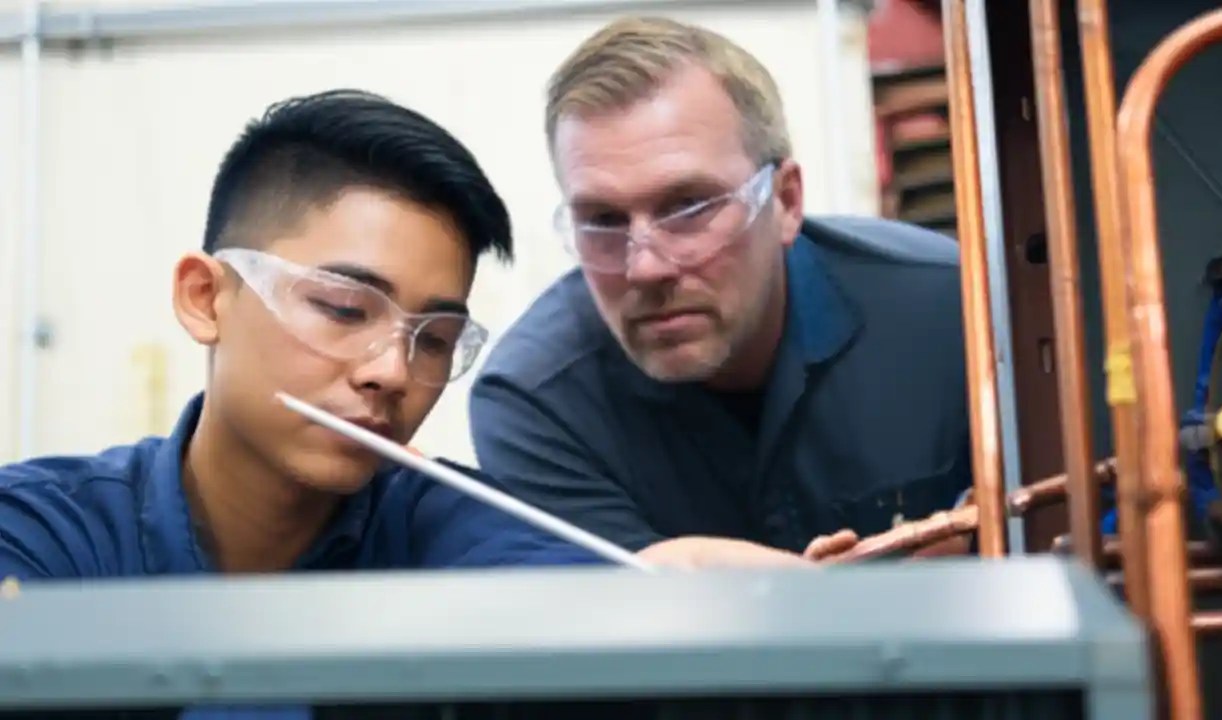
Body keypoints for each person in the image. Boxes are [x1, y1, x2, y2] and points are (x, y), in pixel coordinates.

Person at [0, 89, 624, 583]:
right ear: (204, 298)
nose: (393, 372)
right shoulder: (41, 534)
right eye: (344, 309)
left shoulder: (457, 531)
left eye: (433, 339)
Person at [469, 17, 975, 568]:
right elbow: (620, 639)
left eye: (689, 207)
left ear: (784, 201)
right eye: (603, 219)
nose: (645, 267)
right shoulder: (537, 405)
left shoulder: (952, 310)